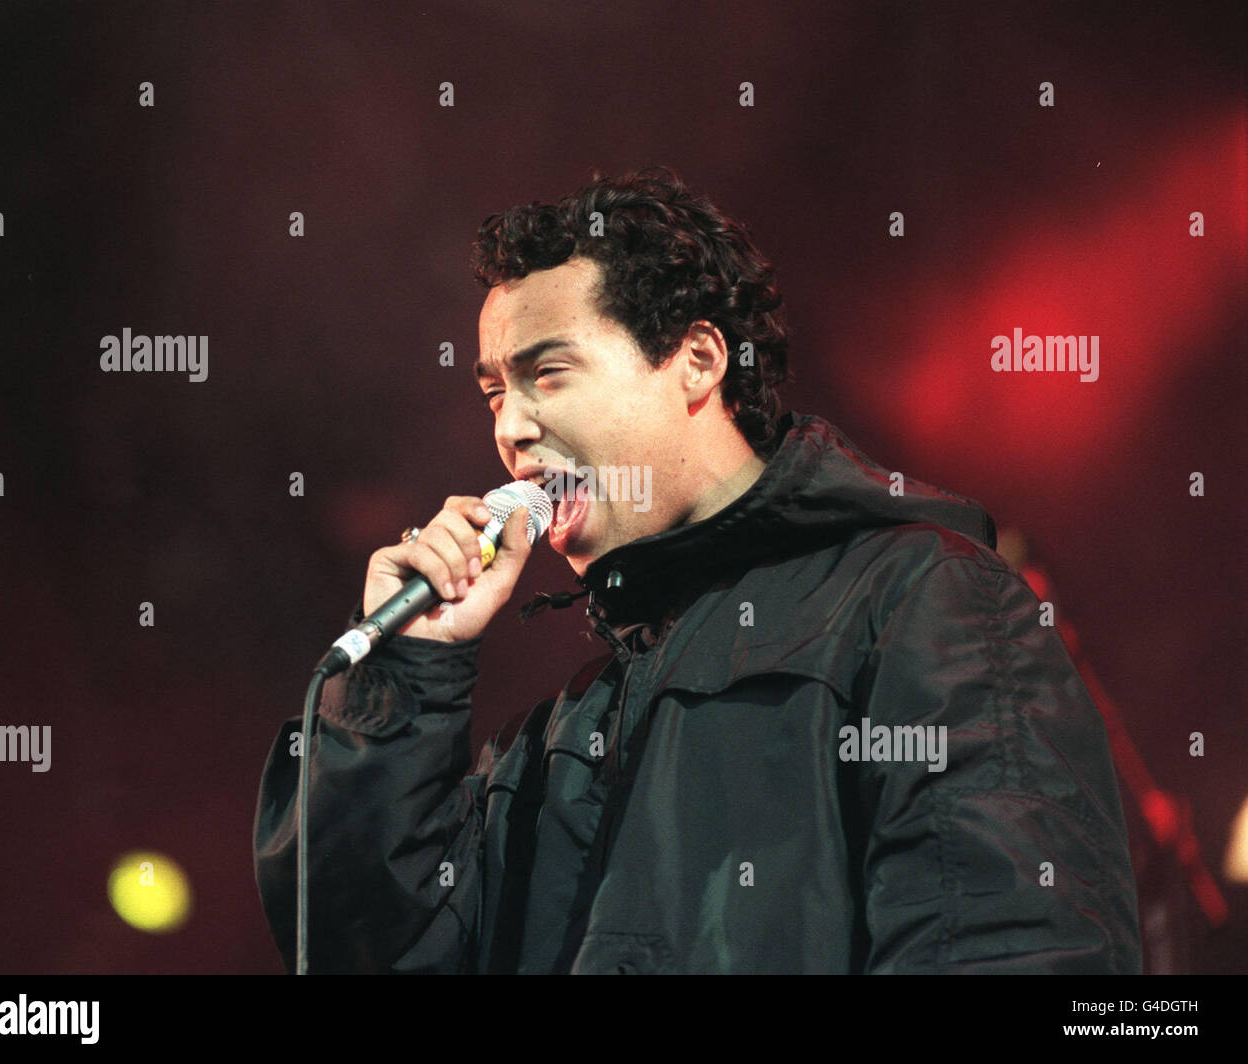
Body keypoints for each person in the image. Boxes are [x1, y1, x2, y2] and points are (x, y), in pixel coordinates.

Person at [253, 167, 1143, 973]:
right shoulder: (559, 738)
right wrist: (408, 678)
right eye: (495, 392)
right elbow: (373, 949)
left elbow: (1014, 949)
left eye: (548, 374)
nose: (511, 428)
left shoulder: (921, 602)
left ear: (698, 362)